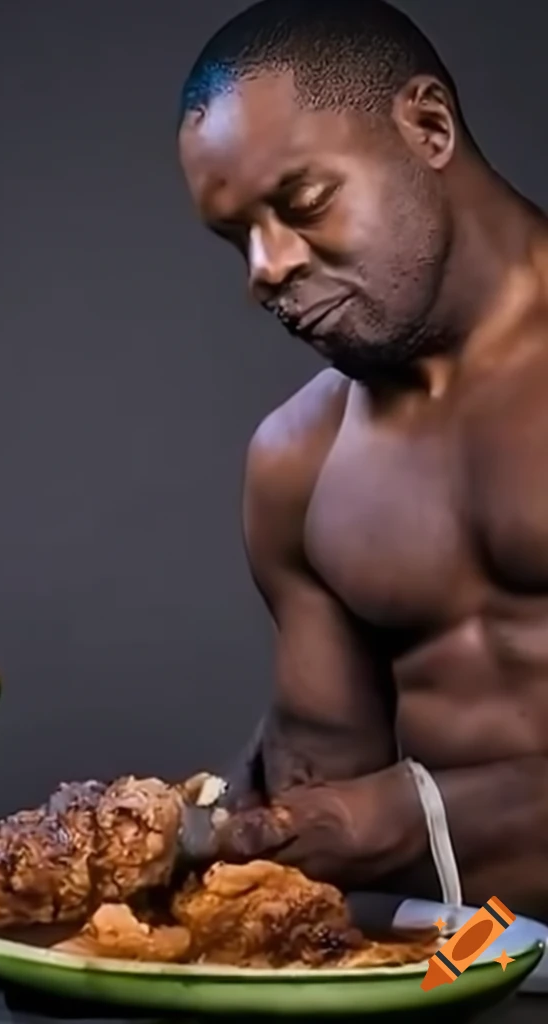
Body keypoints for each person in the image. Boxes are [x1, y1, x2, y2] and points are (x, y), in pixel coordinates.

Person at [174, 0, 548, 923]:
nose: (265, 269)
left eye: (302, 204)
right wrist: (189, 835)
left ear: (427, 126)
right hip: (443, 975)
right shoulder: (296, 461)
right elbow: (321, 811)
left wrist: (405, 819)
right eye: (238, 239)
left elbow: (368, 823)